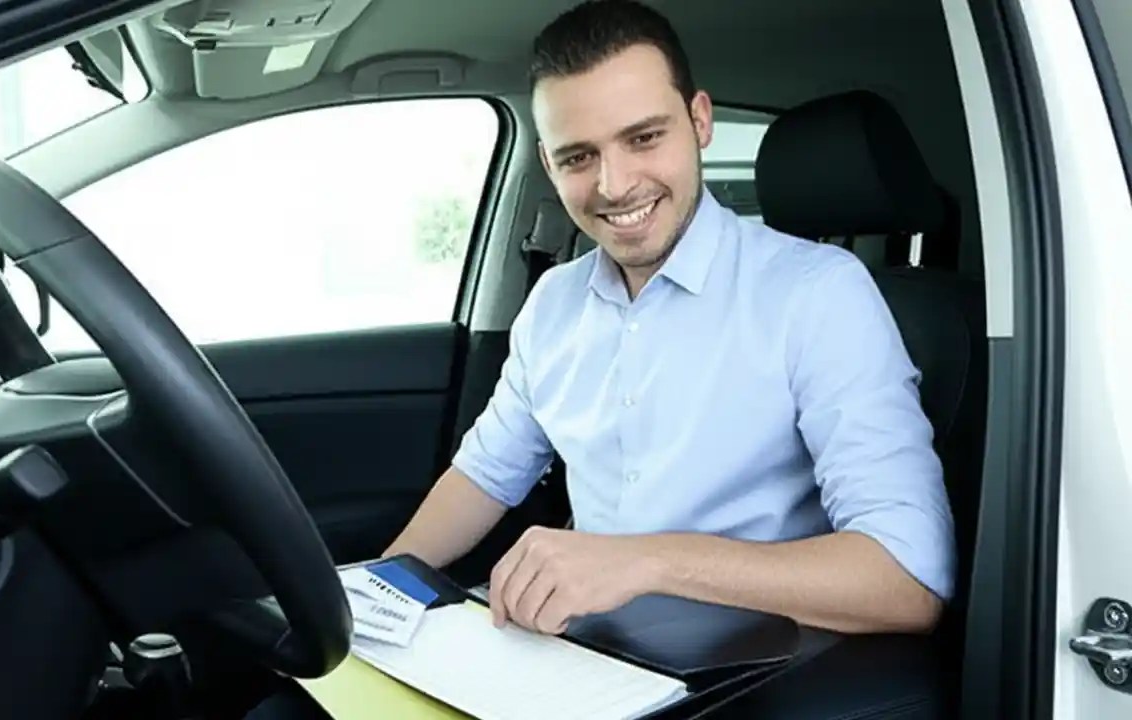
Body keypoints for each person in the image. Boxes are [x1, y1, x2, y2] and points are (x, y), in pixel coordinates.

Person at [382, 0, 955, 637]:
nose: (615, 184)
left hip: (751, 679)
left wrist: (648, 560)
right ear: (549, 165)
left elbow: (908, 577)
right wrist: (375, 597)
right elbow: (484, 475)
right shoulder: (552, 305)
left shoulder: (818, 296)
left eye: (644, 138)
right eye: (578, 157)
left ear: (699, 121)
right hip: (575, 662)